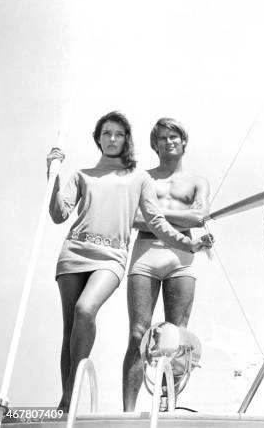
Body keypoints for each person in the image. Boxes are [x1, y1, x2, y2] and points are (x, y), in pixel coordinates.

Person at [47, 111, 210, 411]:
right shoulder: (101, 176)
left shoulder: (156, 178)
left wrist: (183, 236)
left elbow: (175, 219)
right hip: (103, 253)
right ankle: (91, 404)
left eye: (118, 134)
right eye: (106, 133)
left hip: (145, 257)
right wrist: (54, 175)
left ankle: (167, 404)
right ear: (97, 138)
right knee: (95, 329)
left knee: (171, 334)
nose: (111, 139)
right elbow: (63, 215)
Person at [122, 118, 211, 411]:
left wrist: (154, 214)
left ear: (183, 142)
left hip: (180, 258)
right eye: (162, 138)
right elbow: (133, 218)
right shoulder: (142, 178)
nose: (169, 141)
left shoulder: (197, 181)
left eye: (174, 137)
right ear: (154, 144)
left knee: (176, 335)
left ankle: (167, 406)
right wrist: (178, 215)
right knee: (138, 332)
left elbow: (200, 217)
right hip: (146, 253)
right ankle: (128, 411)